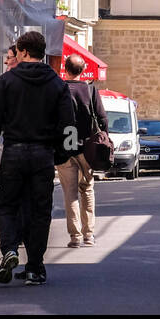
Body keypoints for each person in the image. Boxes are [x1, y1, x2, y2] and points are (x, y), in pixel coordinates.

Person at [0, 31, 75, 287]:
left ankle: (10, 249)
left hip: (13, 151)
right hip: (43, 154)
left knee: (8, 206)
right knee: (40, 211)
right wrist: (62, 153)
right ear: (42, 52)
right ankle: (35, 267)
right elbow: (69, 124)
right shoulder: (58, 84)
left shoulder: (7, 81)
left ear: (22, 52)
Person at [56, 54, 107, 248]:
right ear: (83, 70)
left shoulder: (59, 90)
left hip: (65, 147)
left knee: (70, 193)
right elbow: (102, 119)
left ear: (65, 69)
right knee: (87, 189)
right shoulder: (91, 90)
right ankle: (89, 234)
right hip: (88, 148)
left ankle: (75, 236)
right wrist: (103, 138)